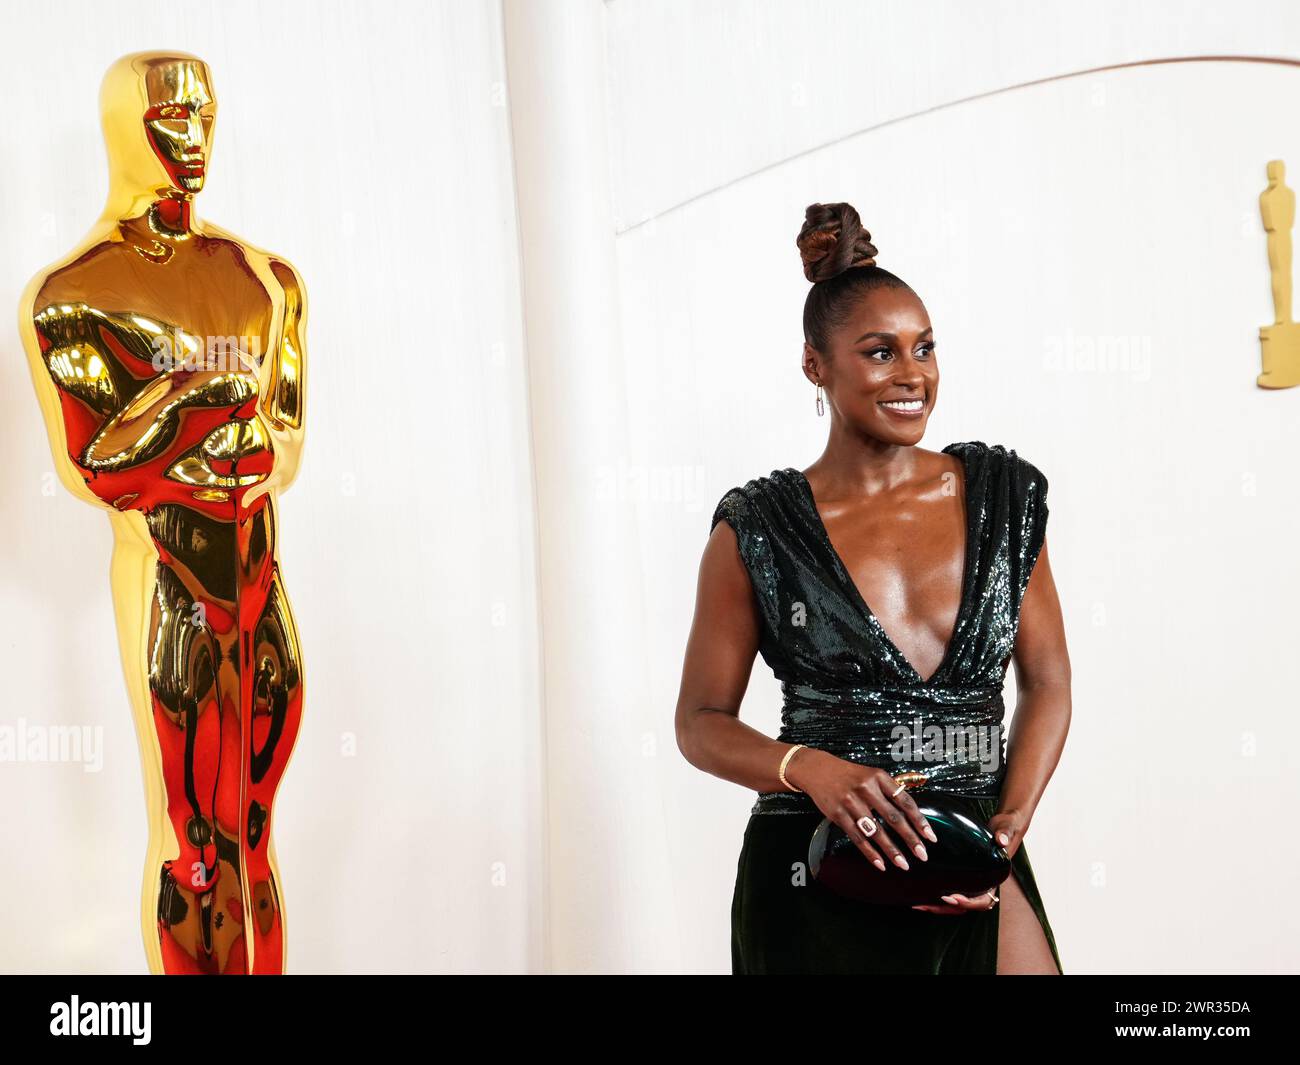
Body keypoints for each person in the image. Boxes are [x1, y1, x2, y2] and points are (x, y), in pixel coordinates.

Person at [674, 202, 1071, 975]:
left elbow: (1049, 679)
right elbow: (699, 722)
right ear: (815, 365)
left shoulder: (1004, 498)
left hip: (968, 860)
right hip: (814, 874)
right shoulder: (758, 526)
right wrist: (811, 768)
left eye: (924, 348)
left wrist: (1009, 823)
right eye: (880, 352)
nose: (913, 374)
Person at [20, 52, 307, 974]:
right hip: (170, 588)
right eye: (169, 120)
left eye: (204, 116)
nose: (194, 139)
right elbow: (93, 467)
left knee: (256, 829)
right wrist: (191, 403)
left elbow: (285, 449)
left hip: (261, 582)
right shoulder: (76, 295)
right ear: (124, 130)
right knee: (192, 839)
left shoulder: (267, 279)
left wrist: (215, 427)